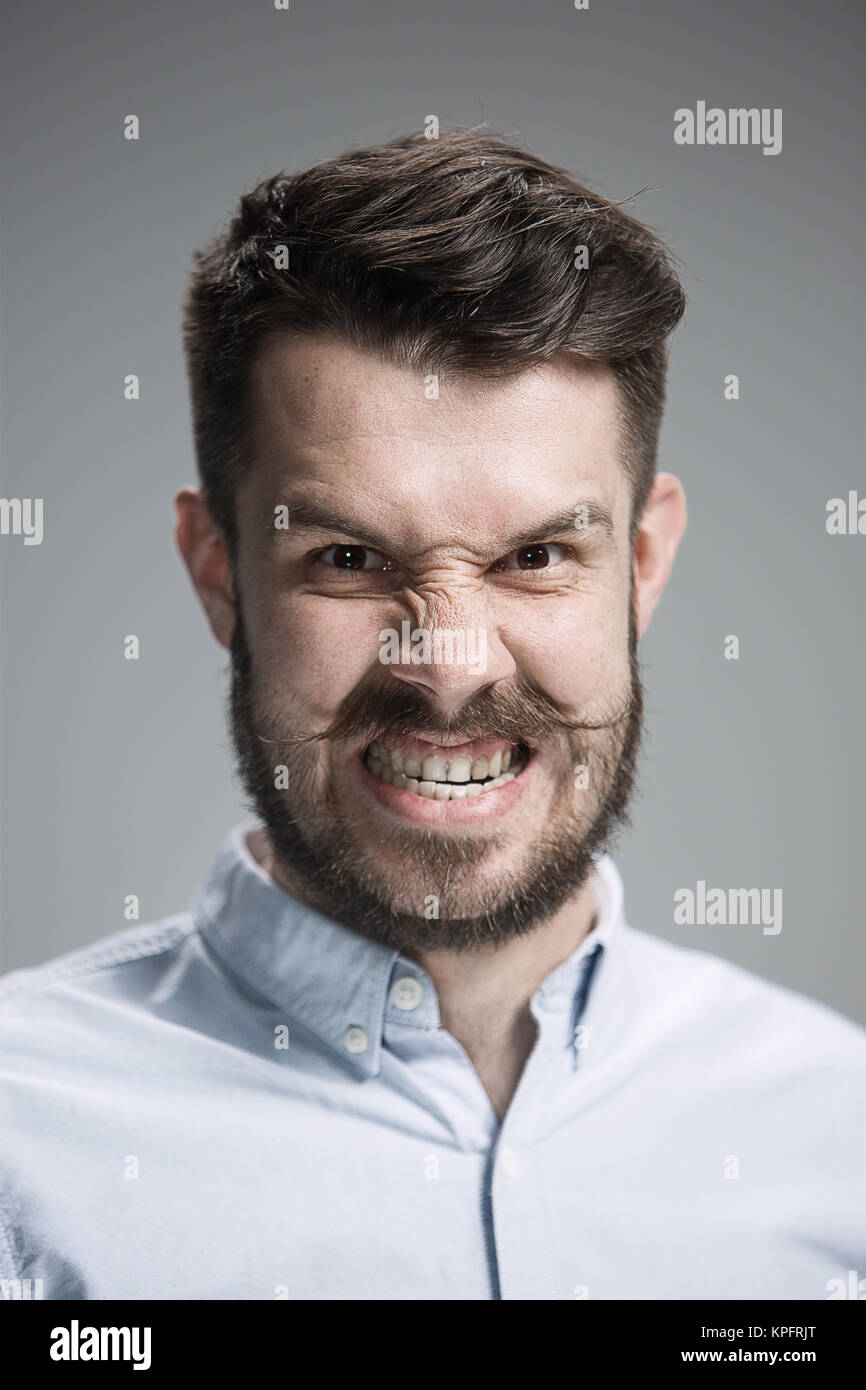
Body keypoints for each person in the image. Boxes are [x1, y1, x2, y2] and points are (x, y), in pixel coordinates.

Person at [1, 130, 863, 1301]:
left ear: (643, 562)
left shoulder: (835, 1136)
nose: (448, 669)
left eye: (534, 555)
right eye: (349, 557)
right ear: (216, 570)